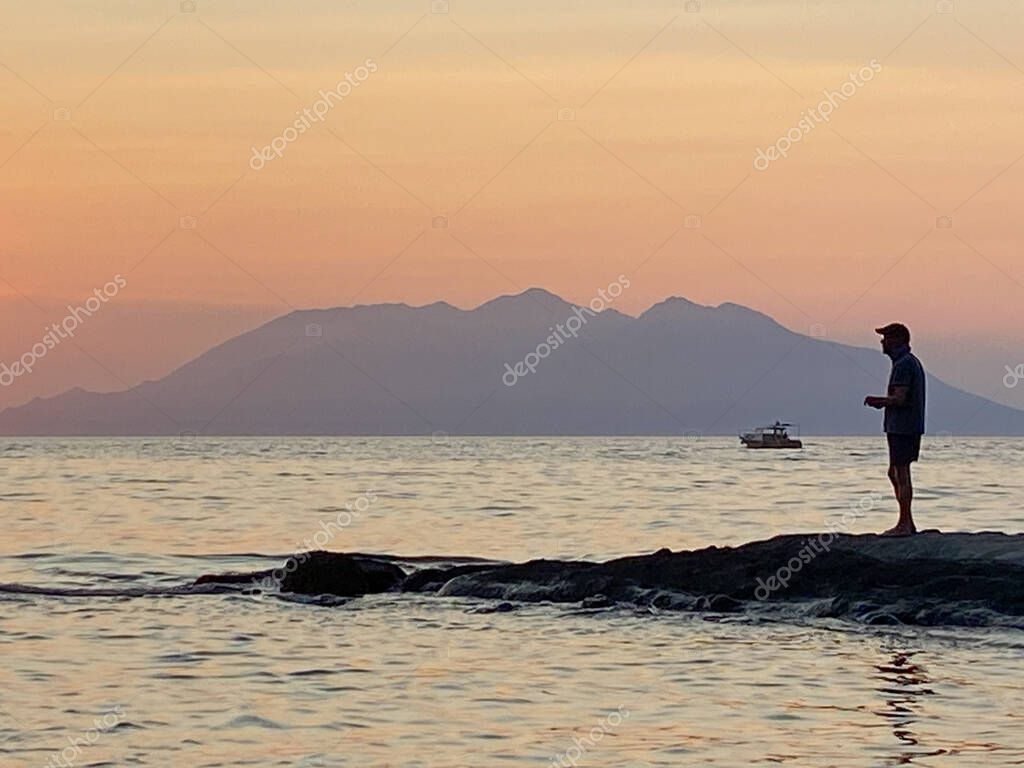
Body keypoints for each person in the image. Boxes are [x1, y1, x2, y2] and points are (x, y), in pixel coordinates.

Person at [863, 323, 926, 536]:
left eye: (887, 337)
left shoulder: (904, 365)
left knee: (901, 472)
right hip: (903, 427)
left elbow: (900, 399)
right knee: (894, 472)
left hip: (904, 427)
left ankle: (905, 523)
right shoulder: (907, 362)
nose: (882, 342)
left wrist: (878, 401)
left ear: (898, 339)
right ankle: (906, 521)